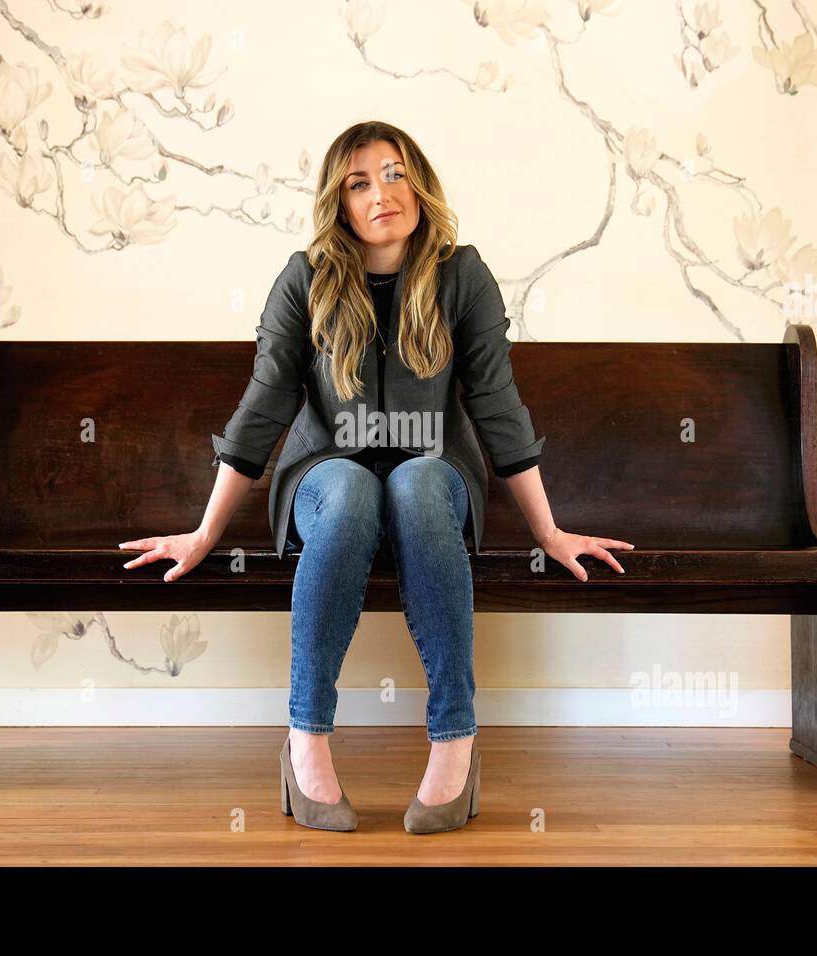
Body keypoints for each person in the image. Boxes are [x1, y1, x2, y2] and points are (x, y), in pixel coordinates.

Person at [119, 121, 632, 833]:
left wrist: (547, 530)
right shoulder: (305, 279)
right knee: (360, 487)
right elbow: (265, 405)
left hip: (436, 472)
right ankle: (307, 741)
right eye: (359, 182)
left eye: (393, 173)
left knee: (416, 483)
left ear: (418, 184)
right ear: (340, 203)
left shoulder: (462, 276)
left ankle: (455, 738)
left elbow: (496, 406)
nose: (381, 193)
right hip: (326, 477)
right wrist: (207, 532)